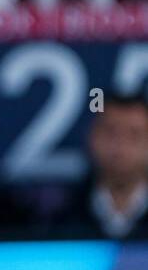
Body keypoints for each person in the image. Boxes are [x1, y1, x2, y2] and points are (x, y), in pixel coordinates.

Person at [53, 91, 148, 239]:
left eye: (134, 135)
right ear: (91, 137)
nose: (121, 145)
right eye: (110, 132)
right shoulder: (57, 215)